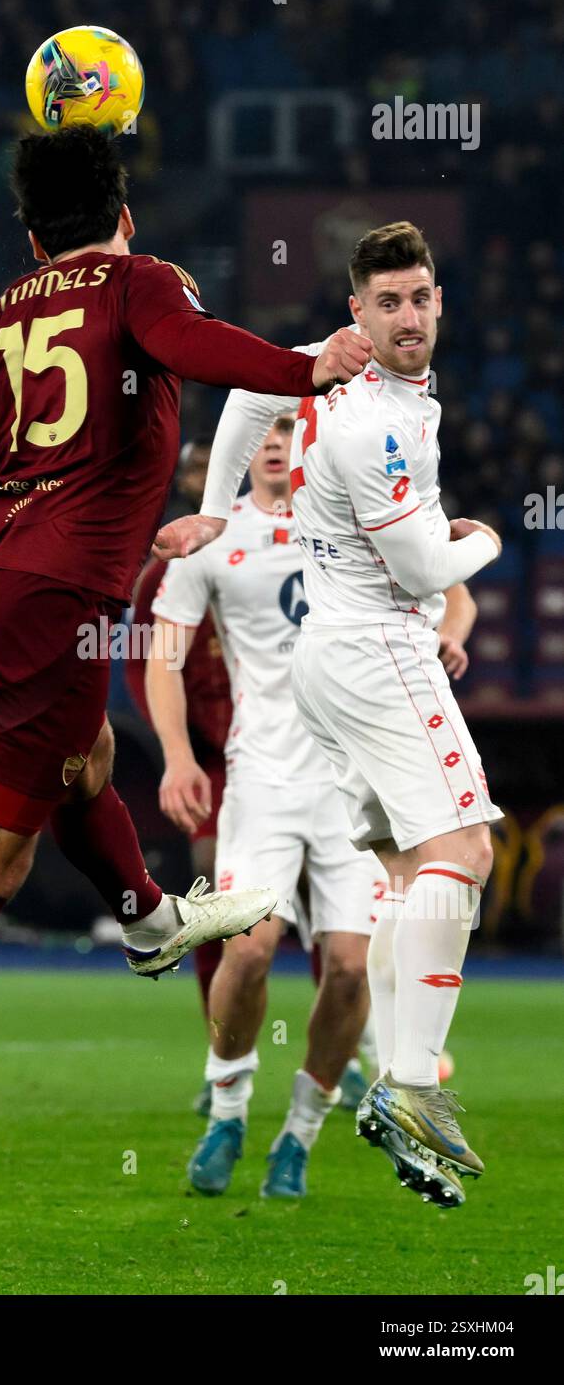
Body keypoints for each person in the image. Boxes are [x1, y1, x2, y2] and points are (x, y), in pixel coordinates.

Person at [0, 126, 371, 1238]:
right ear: (122, 217)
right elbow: (196, 340)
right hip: (49, 601)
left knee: (85, 758)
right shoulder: (135, 282)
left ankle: (142, 918)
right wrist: (303, 367)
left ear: (30, 233)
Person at [154, 221, 502, 1209]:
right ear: (357, 311)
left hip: (330, 669)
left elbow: (255, 390)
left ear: (437, 302)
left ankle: (387, 1082)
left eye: (417, 298)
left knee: (397, 882)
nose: (404, 316)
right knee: (463, 851)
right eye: (385, 302)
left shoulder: (339, 379)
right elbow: (426, 570)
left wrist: (217, 500)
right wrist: (480, 542)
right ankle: (402, 1088)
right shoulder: (377, 423)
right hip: (367, 657)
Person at [148, 416, 385, 1197]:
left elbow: (445, 588)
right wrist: (180, 758)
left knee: (350, 971)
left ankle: (301, 1134)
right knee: (247, 949)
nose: (276, 441)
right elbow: (163, 658)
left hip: (355, 785)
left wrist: (460, 555)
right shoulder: (211, 538)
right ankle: (228, 1108)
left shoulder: (355, 516)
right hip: (263, 780)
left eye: (290, 425)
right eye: (262, 429)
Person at [125, 436, 231, 1073]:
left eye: (208, 465)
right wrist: (177, 749)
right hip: (215, 757)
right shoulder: (165, 571)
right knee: (213, 880)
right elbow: (144, 665)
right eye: (192, 466)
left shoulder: (299, 538)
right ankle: (222, 1054)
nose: (200, 476)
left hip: (301, 748)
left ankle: (358, 1045)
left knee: (340, 902)